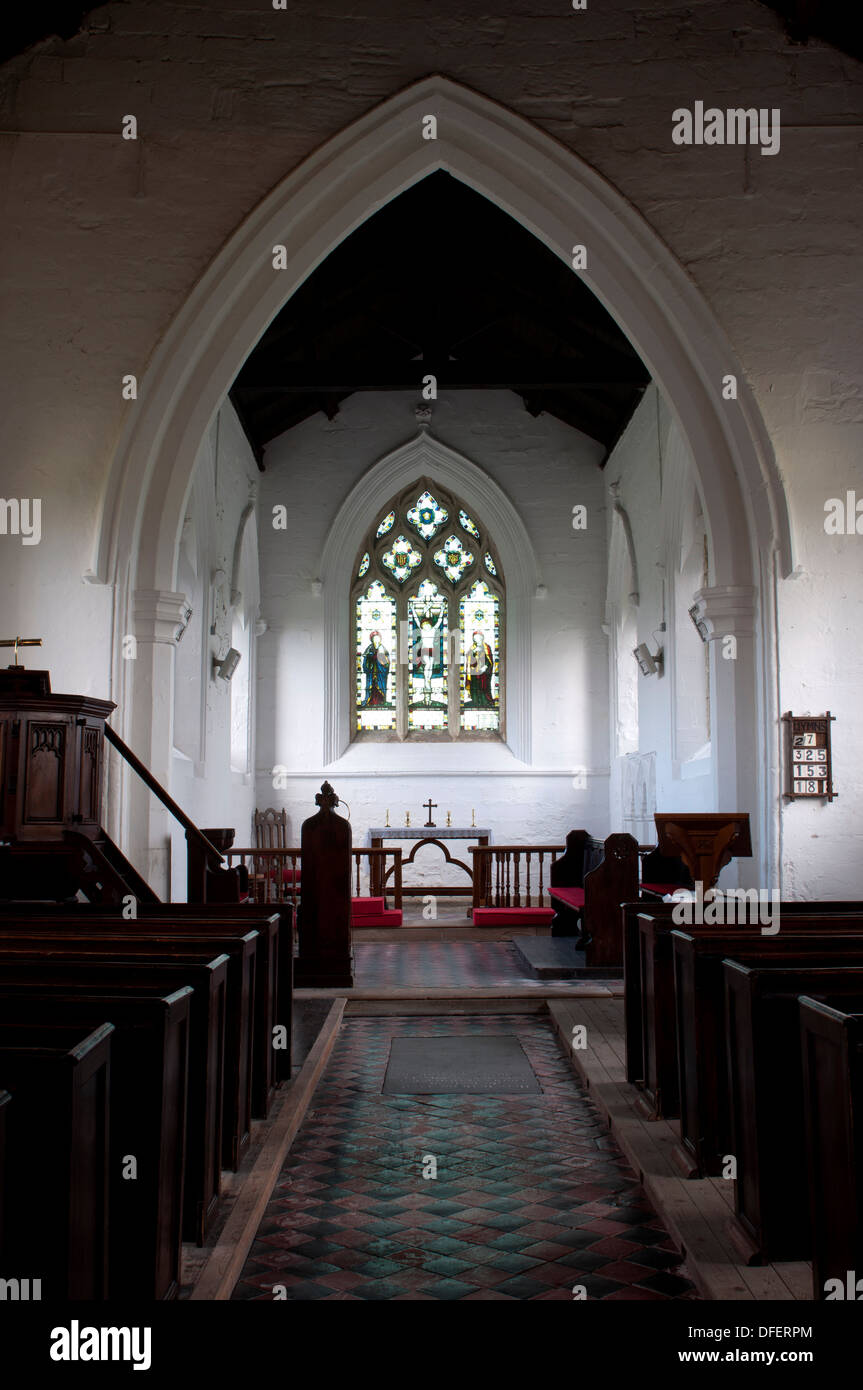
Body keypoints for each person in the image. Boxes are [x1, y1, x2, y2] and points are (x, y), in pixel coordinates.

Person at [362, 630, 390, 706]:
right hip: (371, 673)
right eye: (374, 638)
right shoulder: (369, 649)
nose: (376, 640)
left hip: (380, 673)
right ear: (372, 640)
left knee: (380, 687)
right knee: (371, 687)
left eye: (378, 638)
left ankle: (382, 701)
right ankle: (369, 701)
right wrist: (370, 659)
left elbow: (386, 663)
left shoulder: (383, 649)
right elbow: (365, 663)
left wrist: (381, 659)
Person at [467, 630, 494, 707]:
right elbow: (470, 662)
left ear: (482, 638)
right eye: (475, 639)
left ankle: (485, 702)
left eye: (478, 638)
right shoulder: (472, 648)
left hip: (484, 673)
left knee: (484, 687)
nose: (477, 640)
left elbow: (489, 660)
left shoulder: (487, 648)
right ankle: (475, 702)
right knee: (475, 687)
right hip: (474, 673)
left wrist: (485, 667)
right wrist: (473, 653)